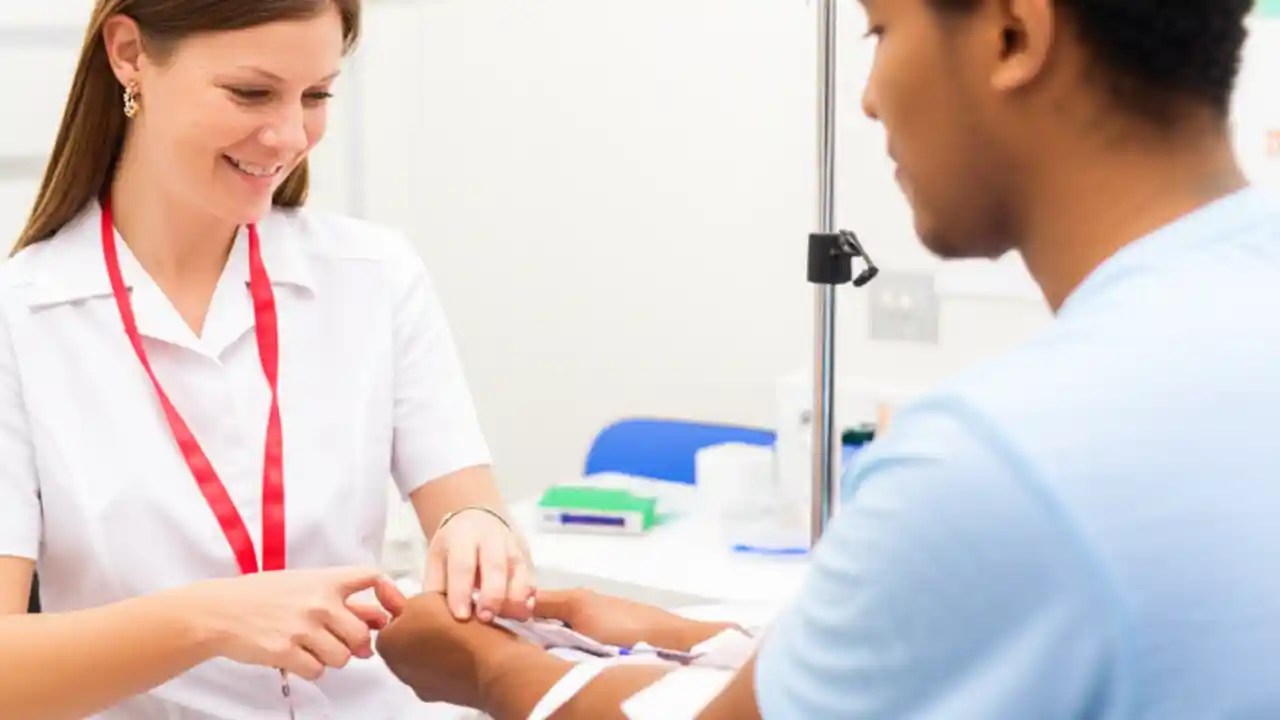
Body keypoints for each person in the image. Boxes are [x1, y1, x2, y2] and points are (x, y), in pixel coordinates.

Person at [374, 0, 1280, 717]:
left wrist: (486, 667)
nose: (870, 96)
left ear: (1013, 33)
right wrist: (701, 636)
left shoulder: (999, 456)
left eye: (882, 31)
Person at [0, 0, 537, 717]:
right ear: (129, 54)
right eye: (251, 92)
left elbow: (467, 505)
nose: (290, 135)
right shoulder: (21, 318)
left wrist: (479, 530)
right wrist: (214, 619)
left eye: (316, 95)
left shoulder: (374, 274)